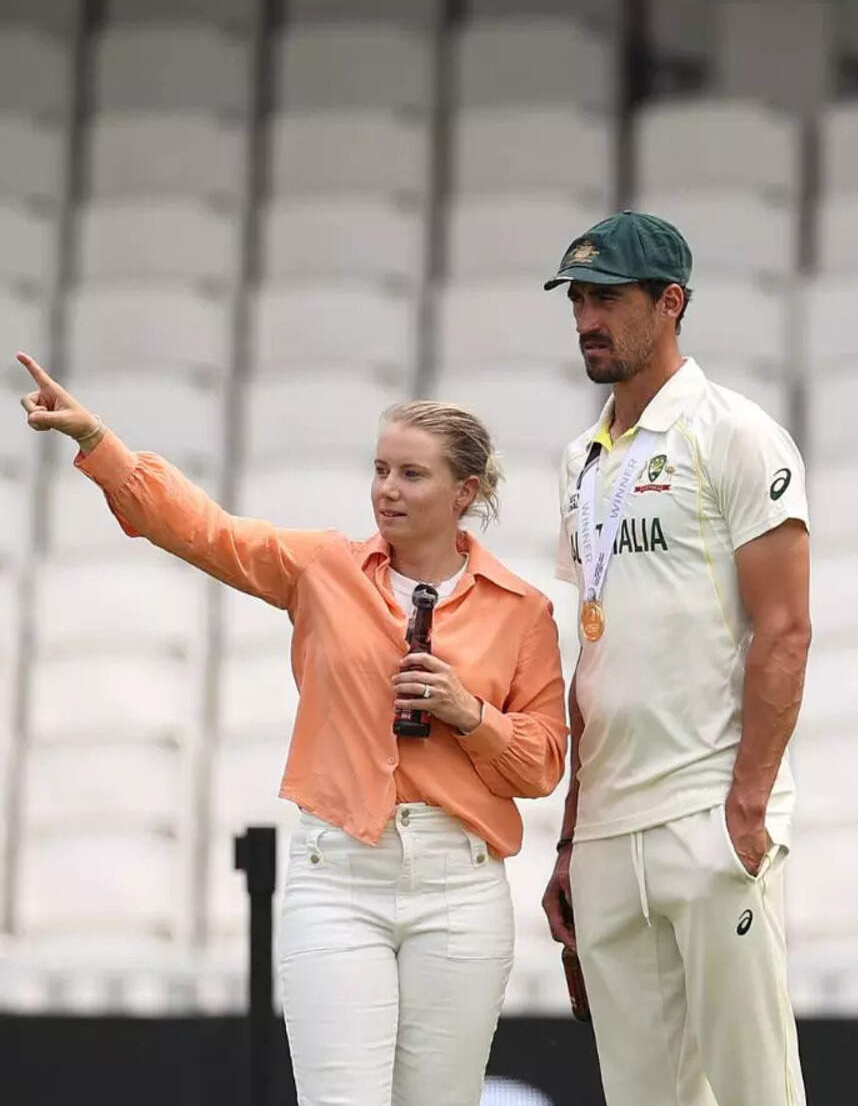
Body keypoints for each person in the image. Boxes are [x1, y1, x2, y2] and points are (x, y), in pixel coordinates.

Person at [16, 352, 567, 1106]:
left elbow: (542, 767)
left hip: (459, 888)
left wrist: (469, 716)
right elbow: (205, 533)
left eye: (412, 474)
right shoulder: (322, 567)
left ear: (464, 491)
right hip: (337, 874)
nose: (386, 490)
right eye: (380, 469)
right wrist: (98, 441)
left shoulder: (522, 610)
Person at [539, 212, 811, 1106]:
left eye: (607, 297)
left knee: (755, 1093)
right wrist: (573, 838)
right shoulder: (582, 460)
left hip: (708, 814)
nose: (587, 317)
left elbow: (785, 631)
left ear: (671, 303)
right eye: (578, 298)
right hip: (612, 831)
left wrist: (746, 806)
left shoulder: (735, 434)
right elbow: (592, 653)